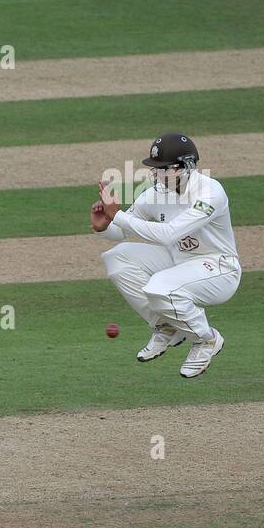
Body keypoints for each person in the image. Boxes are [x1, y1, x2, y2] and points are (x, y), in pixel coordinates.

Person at [91, 133, 240, 378]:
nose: (158, 175)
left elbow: (170, 234)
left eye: (165, 169)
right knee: (117, 257)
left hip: (219, 269)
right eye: (156, 169)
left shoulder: (210, 192)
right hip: (179, 260)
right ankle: (166, 327)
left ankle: (206, 340)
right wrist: (104, 225)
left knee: (159, 287)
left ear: (187, 166)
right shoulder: (156, 193)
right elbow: (123, 229)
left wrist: (117, 215)